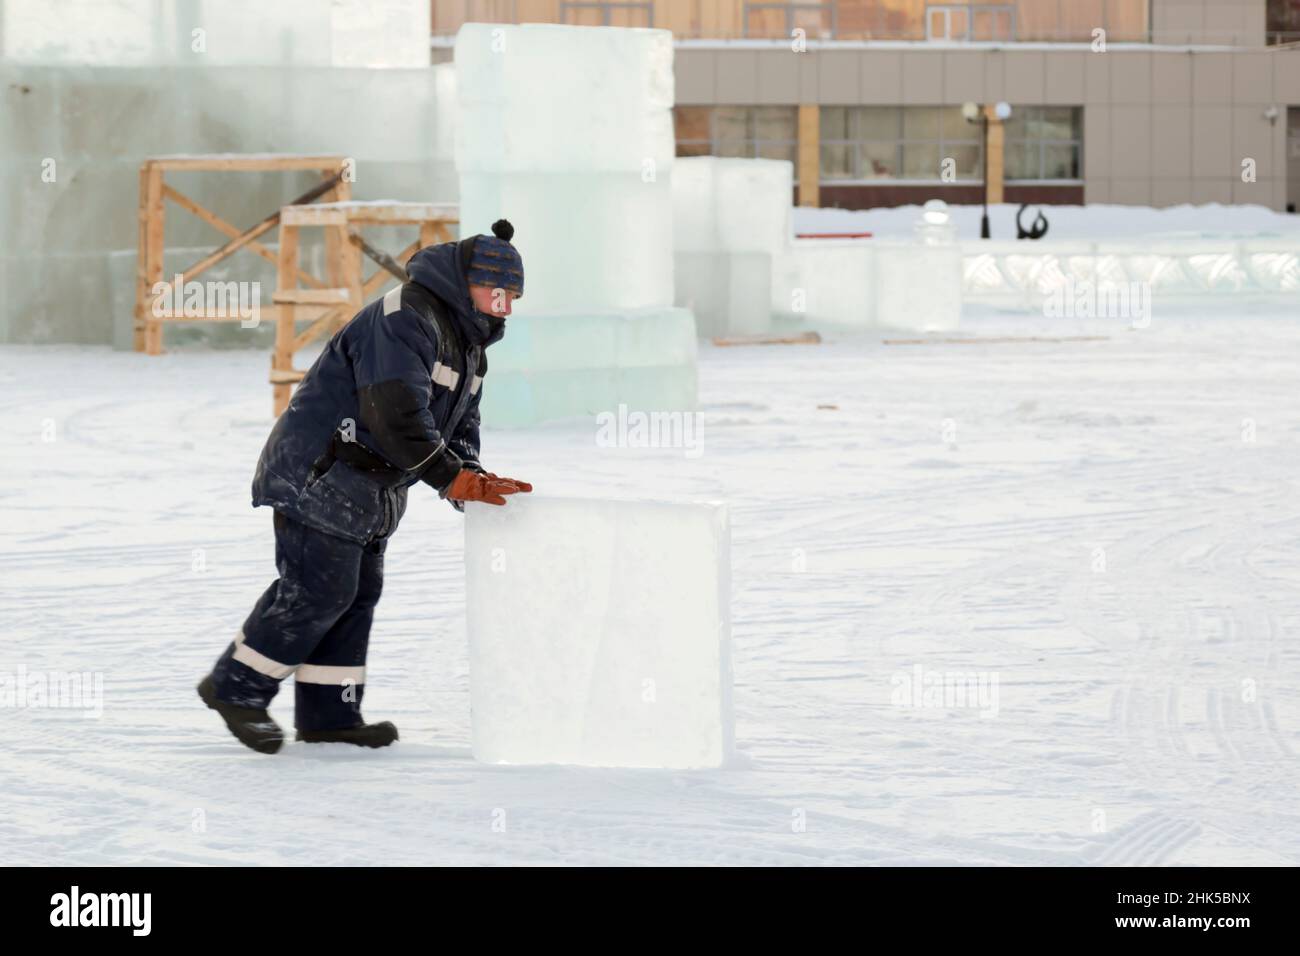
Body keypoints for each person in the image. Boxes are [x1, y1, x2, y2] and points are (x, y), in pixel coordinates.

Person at [197, 219, 531, 754]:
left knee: (354, 596)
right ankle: (235, 687)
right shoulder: (406, 319)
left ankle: (331, 713)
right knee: (318, 590)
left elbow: (459, 423)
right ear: (467, 284)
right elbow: (393, 412)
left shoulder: (469, 347)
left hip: (370, 490)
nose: (505, 306)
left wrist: (473, 476)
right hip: (320, 473)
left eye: (512, 297)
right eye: (497, 292)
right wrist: (451, 478)